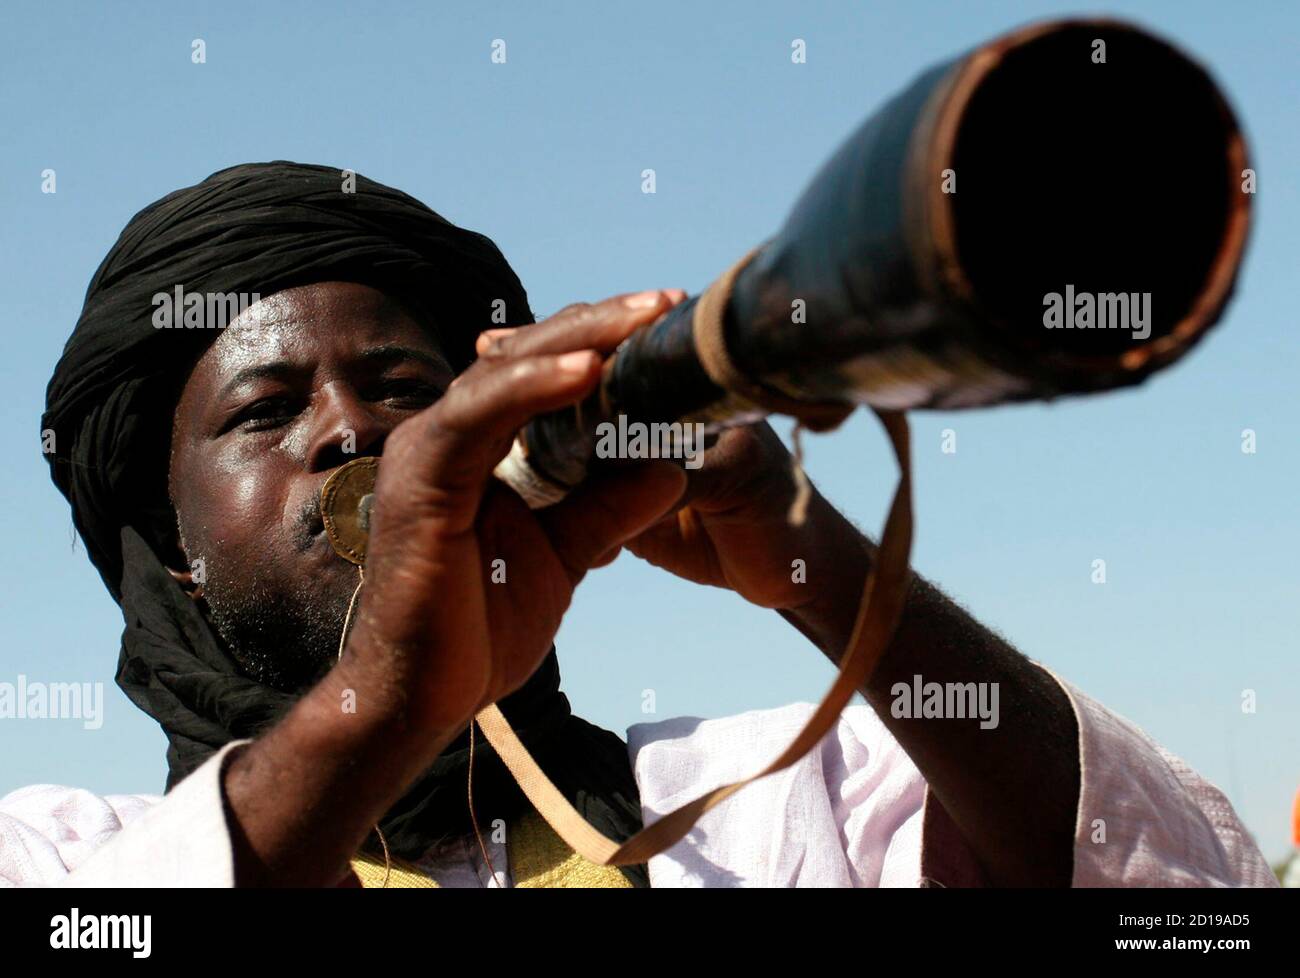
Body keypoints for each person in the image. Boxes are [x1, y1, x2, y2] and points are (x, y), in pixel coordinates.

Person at [2, 162, 1275, 888]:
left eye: (402, 389)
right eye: (265, 411)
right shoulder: (59, 861)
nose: (351, 432)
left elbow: (1147, 884)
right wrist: (384, 709)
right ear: (169, 541)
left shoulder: (776, 807)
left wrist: (821, 569)